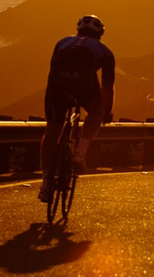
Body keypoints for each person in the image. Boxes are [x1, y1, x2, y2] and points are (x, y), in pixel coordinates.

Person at [38, 15, 115, 202]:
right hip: (85, 88)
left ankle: (46, 183)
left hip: (57, 87)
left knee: (52, 132)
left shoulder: (62, 42)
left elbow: (52, 68)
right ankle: (80, 151)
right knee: (96, 112)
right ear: (100, 34)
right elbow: (107, 88)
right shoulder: (105, 51)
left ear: (78, 30)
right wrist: (106, 112)